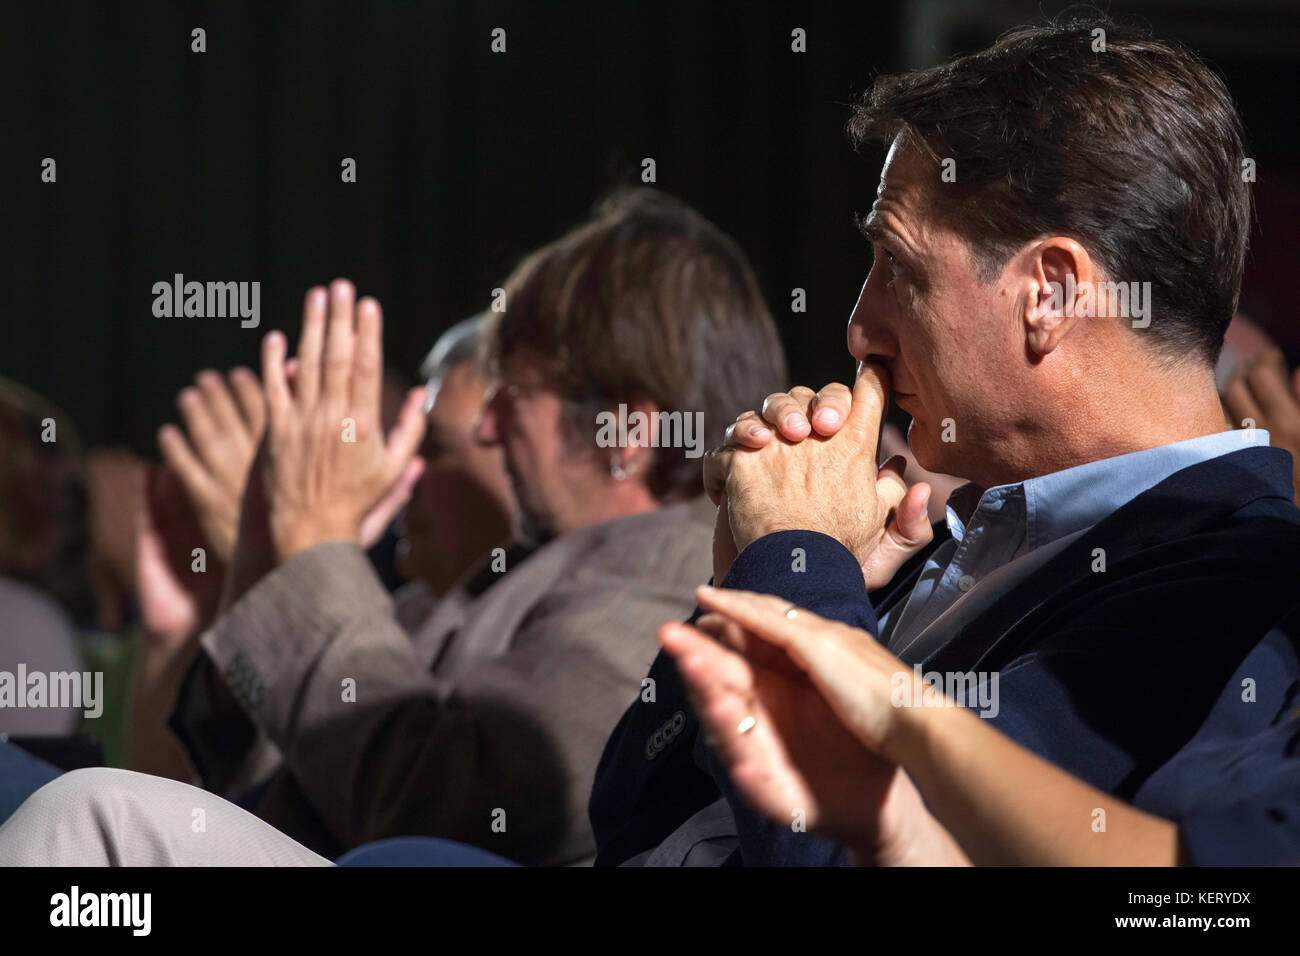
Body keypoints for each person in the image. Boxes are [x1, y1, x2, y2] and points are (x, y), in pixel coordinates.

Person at [587, 16, 1300, 867]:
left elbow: (842, 845)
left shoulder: (1230, 585)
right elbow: (629, 814)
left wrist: (794, 559)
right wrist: (749, 563)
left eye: (900, 269)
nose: (858, 327)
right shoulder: (952, 527)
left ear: (1051, 293)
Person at [159, 188, 788, 865]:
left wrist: (315, 544)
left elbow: (454, 816)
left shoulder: (673, 576)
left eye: (513, 394)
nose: (487, 428)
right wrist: (268, 547)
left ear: (628, 431)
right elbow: (277, 783)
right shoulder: (506, 571)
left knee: (81, 807)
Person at [661, 586, 1300, 866]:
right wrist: (901, 836)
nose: (857, 337)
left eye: (911, 294)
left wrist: (905, 711)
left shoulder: (1235, 563)